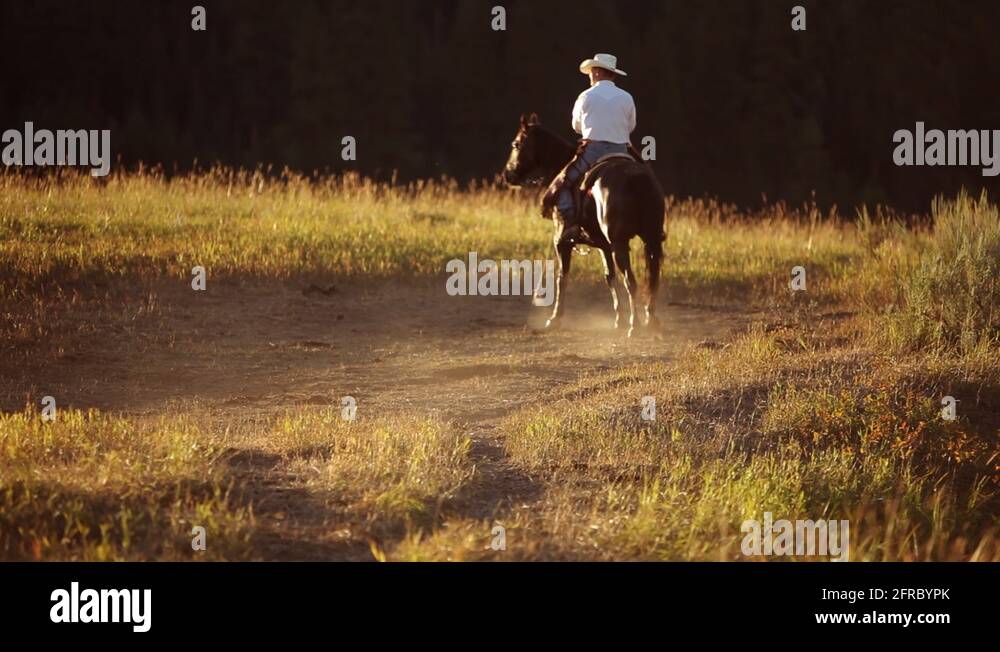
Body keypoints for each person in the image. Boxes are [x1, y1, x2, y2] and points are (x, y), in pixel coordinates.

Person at [542, 53, 638, 245]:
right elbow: (631, 127)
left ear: (597, 72)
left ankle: (571, 225)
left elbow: (576, 126)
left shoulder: (585, 96)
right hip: (622, 151)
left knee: (563, 184)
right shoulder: (626, 97)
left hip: (594, 151)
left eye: (592, 71)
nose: (590, 75)